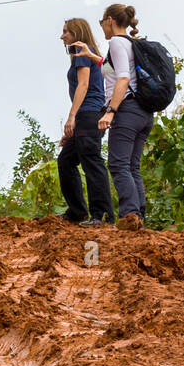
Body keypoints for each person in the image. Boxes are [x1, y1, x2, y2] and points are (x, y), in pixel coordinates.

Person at [76, 4, 152, 230]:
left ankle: (129, 214)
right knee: (132, 166)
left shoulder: (117, 42)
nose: (101, 27)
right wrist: (93, 57)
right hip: (143, 113)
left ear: (110, 20)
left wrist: (110, 111)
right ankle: (138, 216)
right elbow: (112, 70)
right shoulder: (130, 43)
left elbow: (123, 78)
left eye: (102, 22)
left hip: (126, 110)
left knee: (119, 165)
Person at [56, 18, 112, 227]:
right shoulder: (83, 53)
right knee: (66, 161)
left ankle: (102, 215)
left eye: (66, 32)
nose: (62, 36)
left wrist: (72, 117)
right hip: (86, 116)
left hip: (88, 114)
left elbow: (84, 84)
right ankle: (77, 211)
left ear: (76, 33)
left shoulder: (82, 52)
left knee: (91, 161)